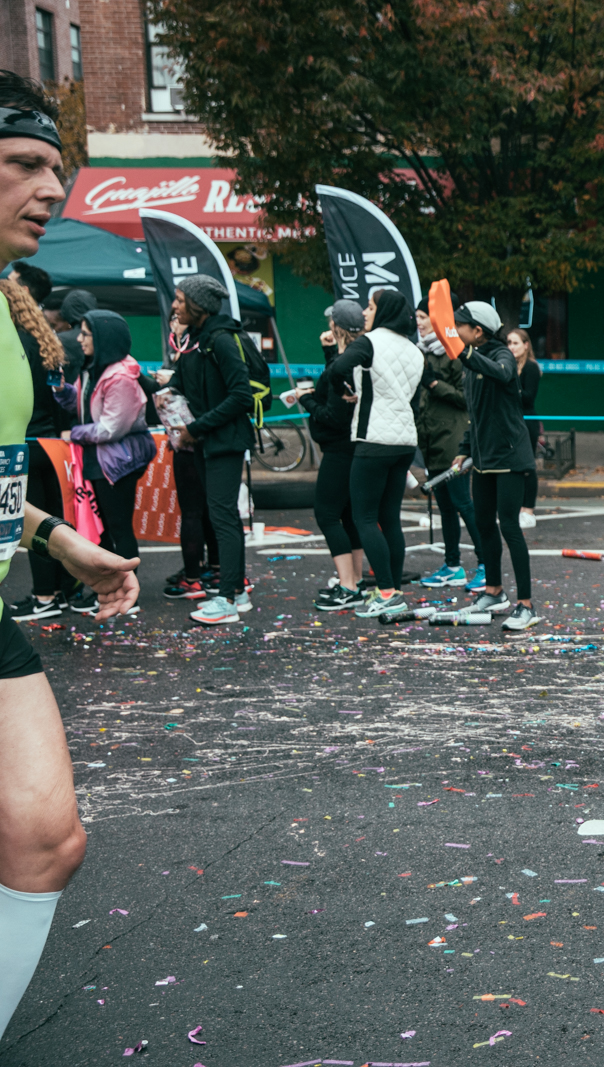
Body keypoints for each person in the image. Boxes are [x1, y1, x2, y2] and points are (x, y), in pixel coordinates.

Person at [0, 69, 140, 1041]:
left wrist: (54, 538)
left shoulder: (9, 312)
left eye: (56, 168)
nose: (52, 189)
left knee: (47, 838)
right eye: (21, 165)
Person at [326, 290, 424, 618]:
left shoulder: (369, 342)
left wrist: (344, 392)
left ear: (383, 312)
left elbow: (337, 369)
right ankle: (393, 589)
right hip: (405, 440)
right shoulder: (414, 350)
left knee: (364, 518)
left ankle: (387, 592)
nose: (366, 313)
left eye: (370, 307)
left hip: (373, 439)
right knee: (388, 519)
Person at [171, 274, 256, 626]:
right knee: (225, 517)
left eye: (179, 299)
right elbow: (188, 385)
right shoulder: (194, 340)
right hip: (209, 441)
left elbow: (241, 396)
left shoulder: (221, 340)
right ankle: (235, 593)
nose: (173, 306)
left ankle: (227, 601)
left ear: (198, 305)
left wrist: (195, 428)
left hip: (224, 442)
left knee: (222, 518)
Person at [56, 310, 155, 613]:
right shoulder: (93, 369)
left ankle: (128, 591)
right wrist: (63, 391)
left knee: (118, 527)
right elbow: (87, 407)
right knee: (102, 530)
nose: (79, 338)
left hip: (116, 462)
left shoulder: (122, 376)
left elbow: (112, 428)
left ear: (103, 339)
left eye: (85, 333)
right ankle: (110, 587)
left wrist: (73, 433)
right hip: (97, 459)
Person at [453, 301, 541, 631]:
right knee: (484, 525)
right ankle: (494, 592)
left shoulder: (500, 353)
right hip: (484, 459)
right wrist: (464, 449)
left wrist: (465, 355)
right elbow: (476, 414)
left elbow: (504, 373)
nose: (455, 332)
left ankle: (527, 605)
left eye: (460, 326)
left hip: (509, 457)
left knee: (509, 527)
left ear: (477, 330)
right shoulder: (471, 362)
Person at [286, 300, 367, 609]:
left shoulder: (345, 362)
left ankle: (347, 585)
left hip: (339, 447)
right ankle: (355, 581)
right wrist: (330, 352)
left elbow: (333, 414)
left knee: (328, 513)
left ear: (336, 327)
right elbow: (338, 380)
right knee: (347, 515)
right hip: (353, 445)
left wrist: (305, 400)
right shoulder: (356, 357)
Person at [3, 276, 74, 621]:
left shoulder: (13, 342)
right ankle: (59, 591)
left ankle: (45, 596)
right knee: (55, 519)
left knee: (31, 525)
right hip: (52, 445)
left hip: (26, 446)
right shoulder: (44, 340)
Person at [411, 299, 483, 591]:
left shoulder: (454, 353)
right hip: (431, 440)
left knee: (463, 503)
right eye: (416, 317)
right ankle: (452, 565)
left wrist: (432, 384)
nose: (419, 323)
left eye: (423, 317)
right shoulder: (422, 352)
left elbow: (466, 397)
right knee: (445, 507)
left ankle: (486, 563)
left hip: (453, 439)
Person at [158, 310, 220, 600]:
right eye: (172, 317)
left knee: (194, 512)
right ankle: (213, 570)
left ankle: (194, 578)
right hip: (200, 439)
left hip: (192, 440)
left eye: (179, 315)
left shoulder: (195, 350)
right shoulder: (190, 349)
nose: (173, 322)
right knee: (206, 510)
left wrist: (168, 384)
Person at [506, 326, 543, 529]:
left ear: (526, 345)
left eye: (515, 343)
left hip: (526, 422)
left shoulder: (530, 367)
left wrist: (510, 386)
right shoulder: (510, 365)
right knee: (514, 467)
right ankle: (517, 507)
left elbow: (528, 397)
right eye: (509, 343)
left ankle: (528, 509)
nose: (511, 347)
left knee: (528, 467)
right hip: (511, 421)